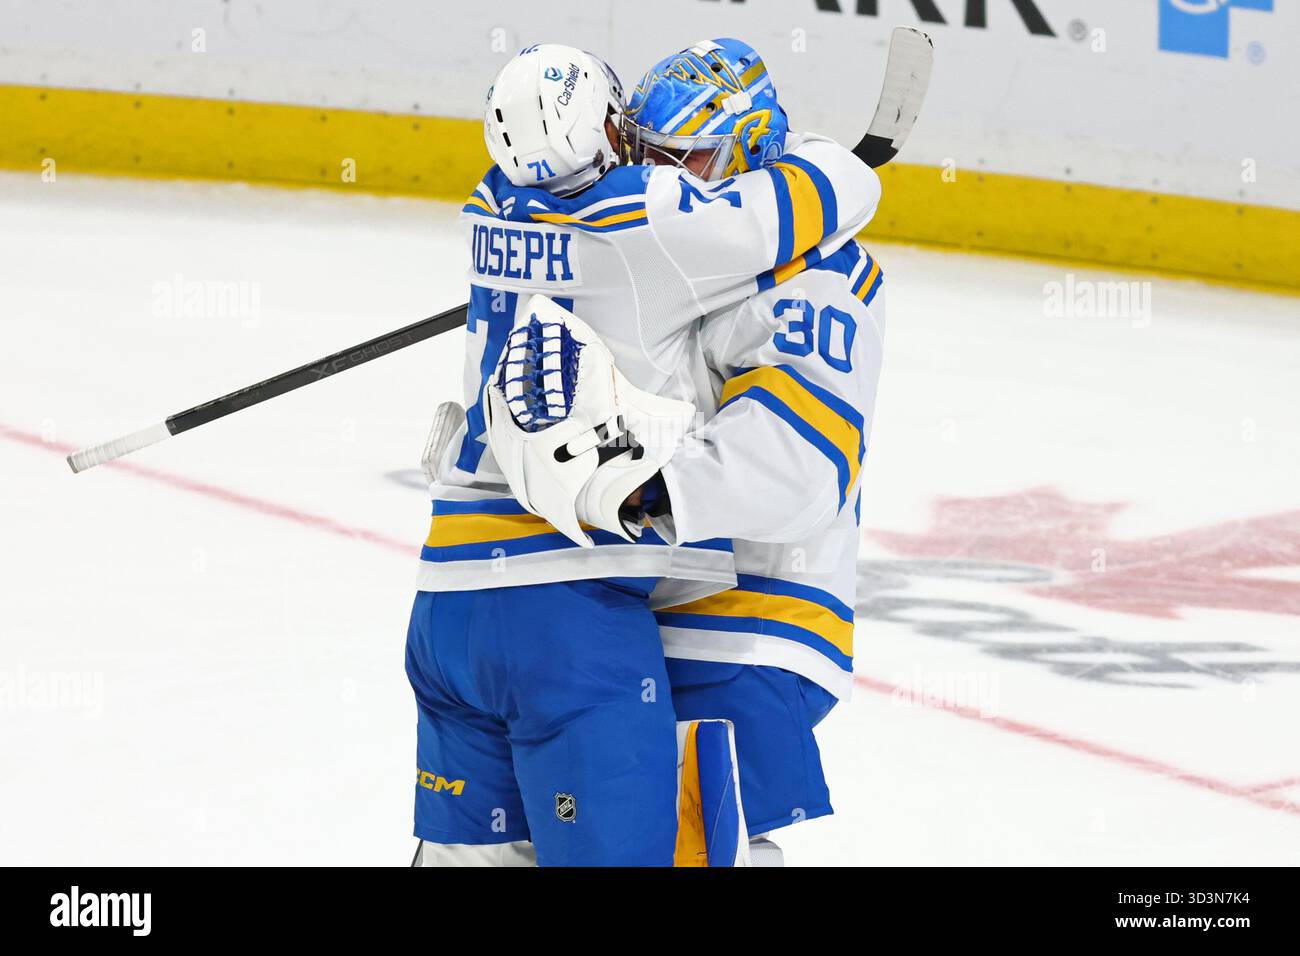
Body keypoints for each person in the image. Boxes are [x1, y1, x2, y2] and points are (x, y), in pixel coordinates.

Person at [407, 40, 880, 866]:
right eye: (650, 155)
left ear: (756, 147)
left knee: (695, 848)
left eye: (690, 157)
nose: (671, 177)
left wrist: (647, 489)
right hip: (627, 599)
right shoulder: (686, 246)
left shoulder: (812, 275)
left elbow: (798, 461)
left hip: (749, 619)